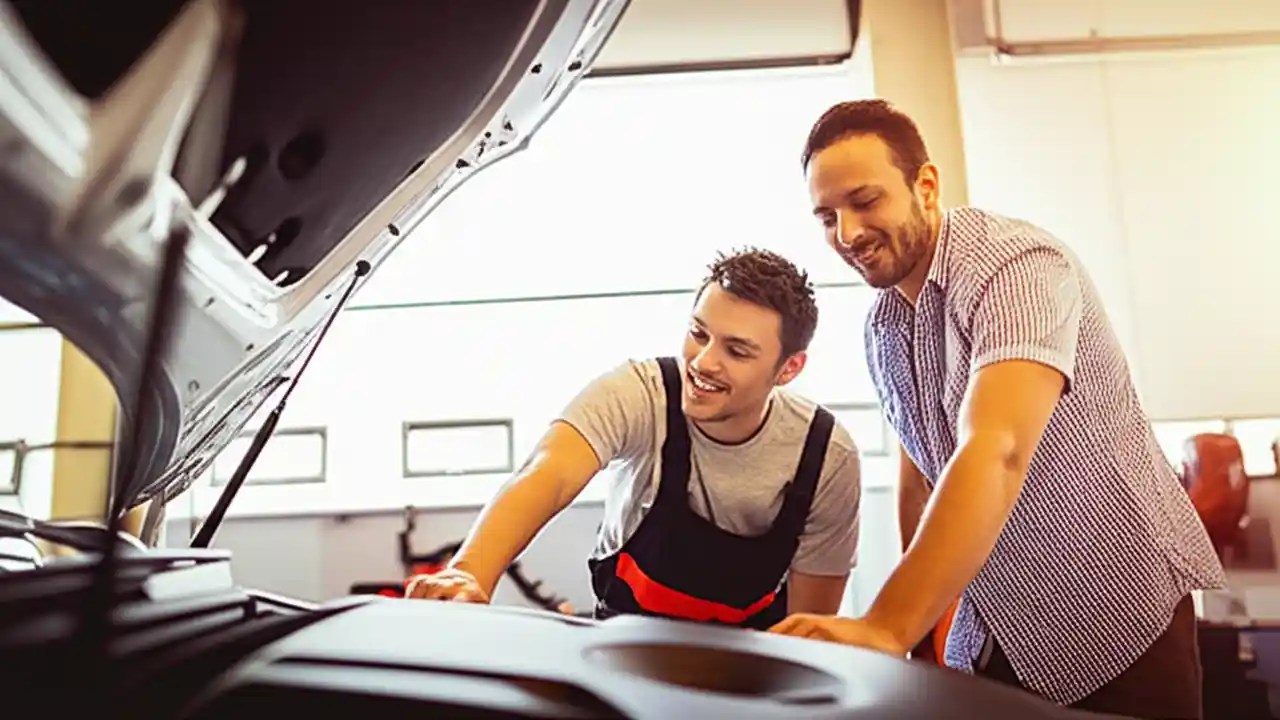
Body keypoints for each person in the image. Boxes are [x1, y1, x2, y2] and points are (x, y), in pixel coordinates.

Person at [769, 99, 1227, 719]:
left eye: (865, 201)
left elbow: (998, 447)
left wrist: (887, 624)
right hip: (998, 631)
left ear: (925, 187)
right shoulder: (884, 327)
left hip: (1118, 618)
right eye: (828, 217)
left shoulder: (1016, 267)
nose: (847, 234)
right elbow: (921, 476)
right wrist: (918, 636)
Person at [406, 248, 863, 629]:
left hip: (751, 674)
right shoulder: (640, 394)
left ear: (789, 369)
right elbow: (548, 473)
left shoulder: (826, 456)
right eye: (698, 333)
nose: (703, 362)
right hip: (622, 648)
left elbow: (807, 629)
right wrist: (469, 573)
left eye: (736, 351)